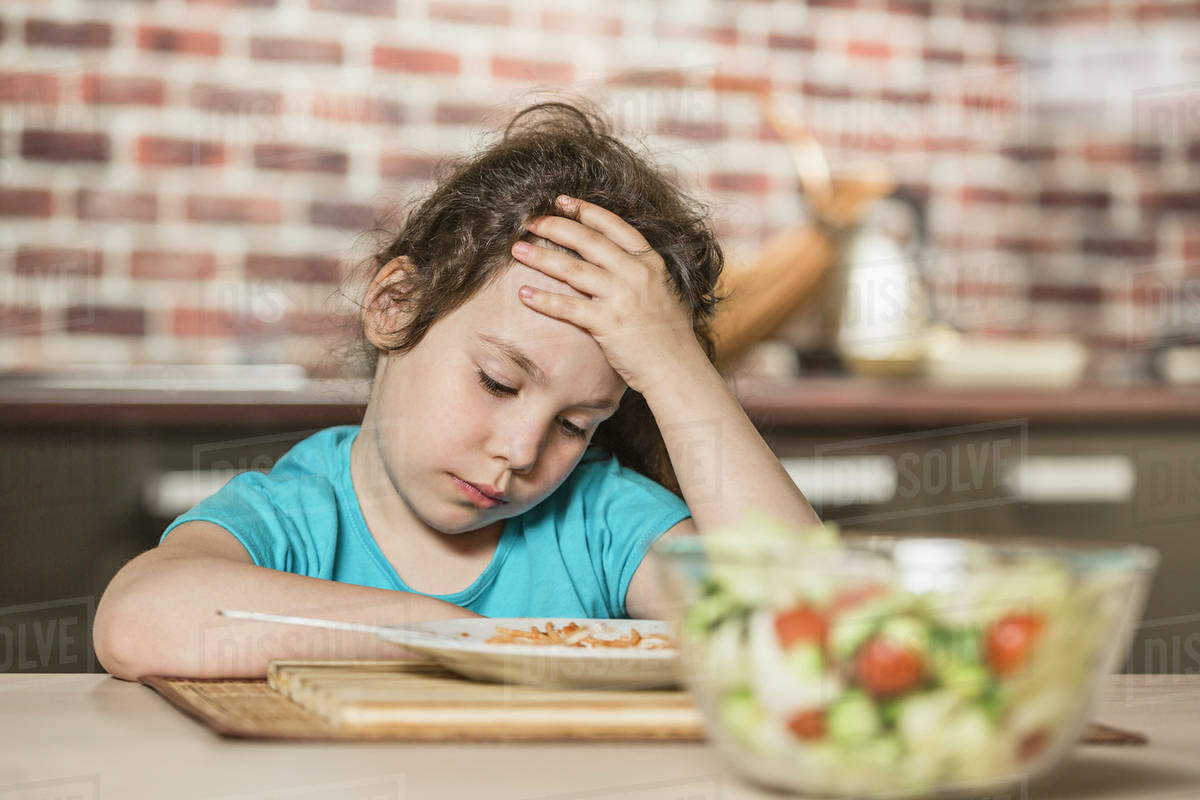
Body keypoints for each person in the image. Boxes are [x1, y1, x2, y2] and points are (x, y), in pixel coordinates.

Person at [93, 97, 819, 680]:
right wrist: (464, 641)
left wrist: (675, 370)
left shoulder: (600, 520)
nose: (519, 450)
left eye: (576, 423)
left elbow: (811, 629)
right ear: (396, 306)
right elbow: (137, 620)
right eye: (498, 382)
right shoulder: (297, 515)